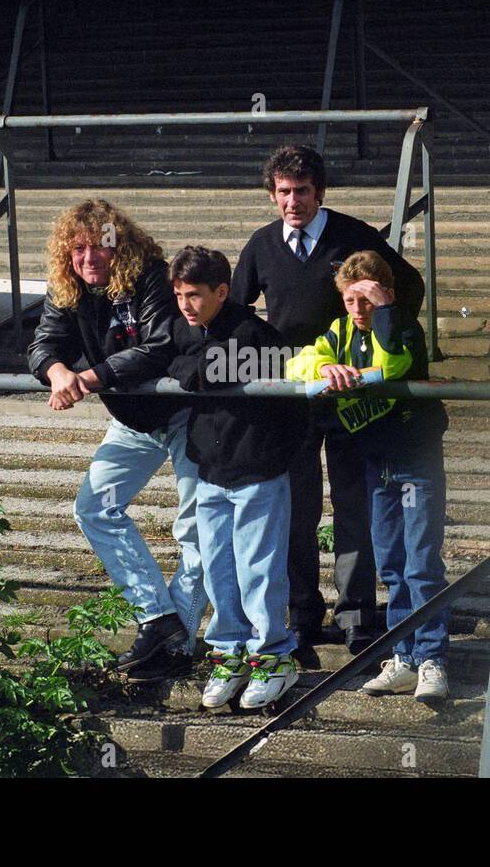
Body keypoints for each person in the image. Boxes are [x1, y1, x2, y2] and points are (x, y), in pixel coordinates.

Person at [232, 144, 425, 663]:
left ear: (320, 193)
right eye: (283, 193)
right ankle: (301, 613)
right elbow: (235, 312)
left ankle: (358, 615)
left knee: (353, 504)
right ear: (273, 195)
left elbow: (409, 289)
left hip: (352, 397)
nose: (292, 202)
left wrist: (373, 335)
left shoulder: (356, 237)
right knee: (296, 507)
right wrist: (267, 358)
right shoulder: (262, 245)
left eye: (301, 192)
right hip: (295, 394)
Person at [26, 199, 205, 682]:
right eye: (77, 249)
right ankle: (159, 618)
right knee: (93, 507)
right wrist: (57, 369)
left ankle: (182, 638)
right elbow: (42, 343)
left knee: (196, 529)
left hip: (187, 413)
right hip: (132, 421)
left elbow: (159, 347)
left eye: (99, 248)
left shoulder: (151, 276)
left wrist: (88, 378)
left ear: (118, 246)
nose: (88, 259)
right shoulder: (67, 288)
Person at [287, 250, 451, 702]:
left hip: (415, 458)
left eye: (368, 300)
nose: (359, 310)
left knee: (421, 564)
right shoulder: (338, 331)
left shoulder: (402, 328)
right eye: (351, 300)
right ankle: (404, 656)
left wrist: (385, 313)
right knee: (393, 565)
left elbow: (394, 365)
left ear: (389, 297)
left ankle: (433, 657)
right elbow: (296, 365)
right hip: (376, 463)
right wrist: (324, 368)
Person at [166, 246, 305, 709]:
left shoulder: (254, 333)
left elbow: (207, 370)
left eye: (195, 295)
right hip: (211, 471)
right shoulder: (194, 329)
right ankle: (229, 655)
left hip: (257, 472)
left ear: (222, 292)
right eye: (180, 294)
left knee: (259, 570)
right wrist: (190, 368)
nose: (185, 304)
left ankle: (274, 659)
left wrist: (191, 368)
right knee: (219, 571)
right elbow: (185, 365)